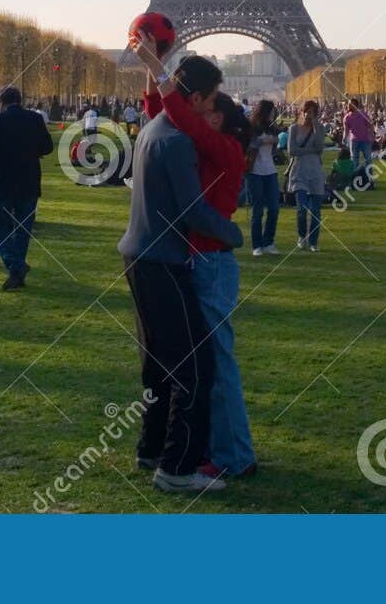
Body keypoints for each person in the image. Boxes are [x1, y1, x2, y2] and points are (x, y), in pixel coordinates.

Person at [132, 34, 257, 480]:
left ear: (219, 117)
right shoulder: (203, 143)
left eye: (208, 109)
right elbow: (163, 114)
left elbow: (179, 114)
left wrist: (156, 65)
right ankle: (220, 450)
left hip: (211, 261)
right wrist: (155, 70)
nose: (200, 114)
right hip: (199, 261)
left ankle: (233, 456)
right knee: (208, 363)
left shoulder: (223, 148)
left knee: (216, 363)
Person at [0, 85, 55, 290]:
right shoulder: (35, 119)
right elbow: (47, 147)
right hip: (29, 179)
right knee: (23, 228)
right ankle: (17, 270)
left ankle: (15, 265)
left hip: (5, 180)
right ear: (19, 100)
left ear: (1, 102)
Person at [287, 101, 327, 252]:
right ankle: (301, 235)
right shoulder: (294, 129)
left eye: (311, 112)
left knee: (316, 211)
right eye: (305, 111)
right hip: (299, 173)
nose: (307, 115)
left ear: (316, 114)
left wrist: (316, 126)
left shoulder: (320, 128)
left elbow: (319, 148)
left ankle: (313, 242)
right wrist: (311, 150)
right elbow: (292, 151)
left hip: (315, 173)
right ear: (301, 112)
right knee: (302, 208)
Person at [245, 99, 281, 256]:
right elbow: (247, 147)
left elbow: (273, 151)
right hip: (255, 172)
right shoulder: (251, 128)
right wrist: (260, 141)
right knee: (257, 210)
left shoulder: (272, 128)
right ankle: (257, 245)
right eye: (272, 111)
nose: (274, 114)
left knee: (274, 208)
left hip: (270, 171)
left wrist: (275, 141)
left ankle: (269, 242)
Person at [343, 97, 374, 178]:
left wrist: (372, 136)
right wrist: (344, 139)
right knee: (354, 160)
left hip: (365, 140)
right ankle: (355, 178)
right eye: (348, 104)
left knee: (368, 160)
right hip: (354, 141)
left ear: (355, 105)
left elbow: (370, 125)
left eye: (350, 104)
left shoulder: (363, 114)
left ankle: (369, 178)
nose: (348, 106)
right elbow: (346, 130)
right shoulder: (347, 117)